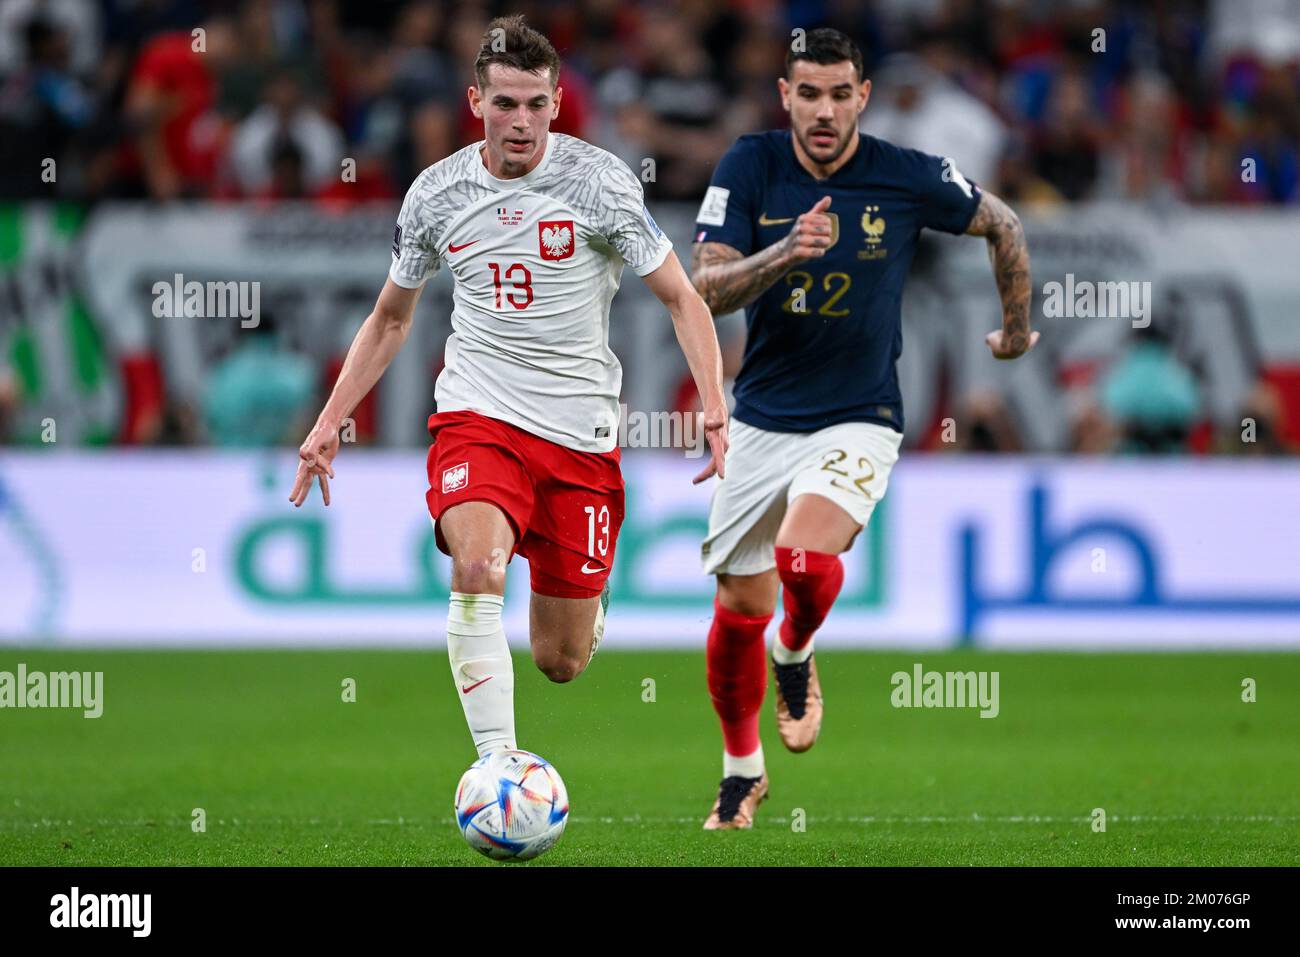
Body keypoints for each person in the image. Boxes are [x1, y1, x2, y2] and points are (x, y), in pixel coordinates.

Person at [288, 15, 727, 760]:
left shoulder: (600, 184)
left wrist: (715, 405)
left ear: (557, 103)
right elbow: (392, 318)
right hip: (477, 416)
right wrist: (331, 420)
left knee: (562, 660)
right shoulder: (436, 194)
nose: (519, 122)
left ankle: (586, 608)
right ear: (475, 102)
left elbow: (682, 298)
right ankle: (500, 765)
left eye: (534, 104)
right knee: (477, 566)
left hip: (580, 437)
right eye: (504, 104)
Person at [689, 28, 1038, 829]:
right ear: (785, 96)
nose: (823, 110)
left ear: (862, 97)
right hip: (762, 418)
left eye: (839, 93)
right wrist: (784, 252)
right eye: (807, 93)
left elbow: (1005, 224)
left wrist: (1015, 329)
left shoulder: (906, 175)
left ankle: (798, 648)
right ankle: (741, 774)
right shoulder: (750, 164)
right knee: (738, 608)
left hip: (860, 415)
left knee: (802, 559)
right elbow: (705, 284)